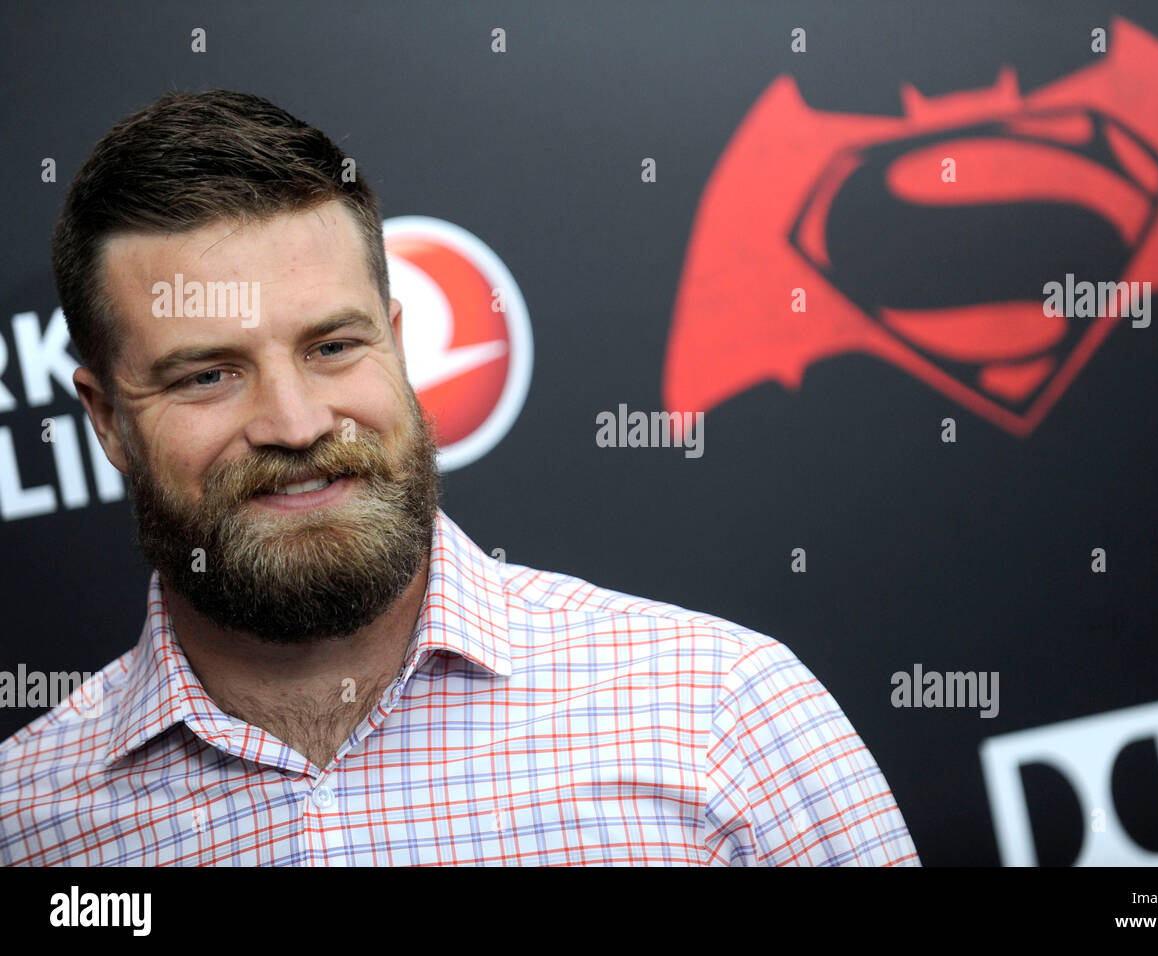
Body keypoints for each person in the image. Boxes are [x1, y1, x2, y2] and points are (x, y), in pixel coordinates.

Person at [0, 89, 919, 866]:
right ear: (107, 420)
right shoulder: (28, 824)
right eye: (208, 374)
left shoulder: (726, 720)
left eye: (332, 346)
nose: (297, 423)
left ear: (398, 348)